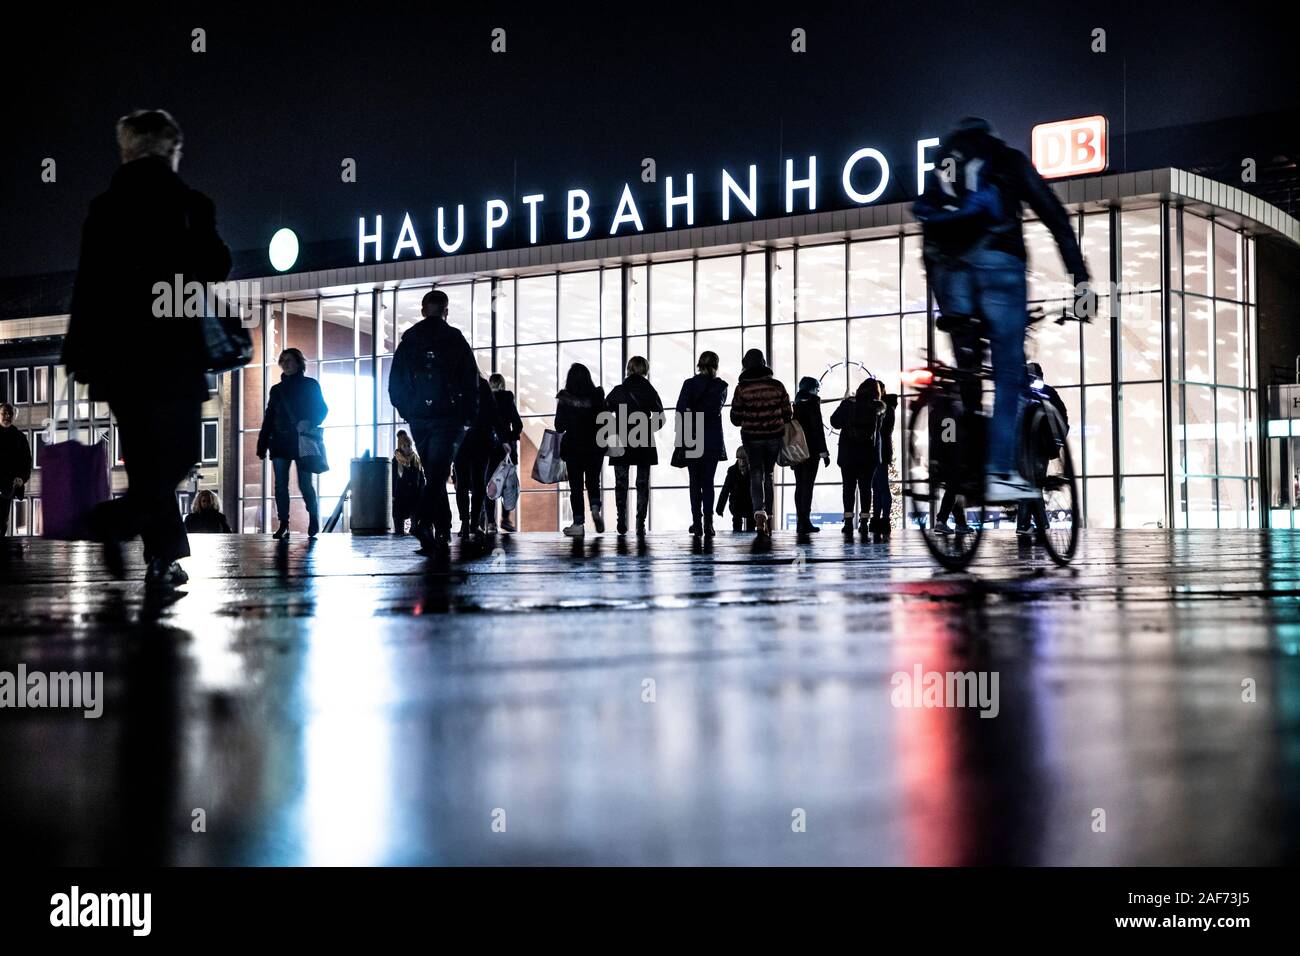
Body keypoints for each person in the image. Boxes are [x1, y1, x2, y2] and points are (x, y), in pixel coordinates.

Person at [62, 109, 231, 593]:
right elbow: (216, 265)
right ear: (170, 149)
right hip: (174, 353)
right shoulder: (190, 203)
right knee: (176, 459)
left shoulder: (104, 208)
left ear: (127, 151)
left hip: (121, 359)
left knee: (144, 462)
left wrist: (82, 351)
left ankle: (161, 558)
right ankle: (116, 524)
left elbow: (89, 283)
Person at [914, 116, 1090, 502]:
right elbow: (1056, 218)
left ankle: (962, 468)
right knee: (1009, 369)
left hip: (948, 272)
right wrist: (1081, 283)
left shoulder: (943, 167)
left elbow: (927, 234)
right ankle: (998, 471)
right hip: (999, 265)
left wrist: (950, 305)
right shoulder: (1007, 159)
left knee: (968, 370)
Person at [388, 288, 479, 555]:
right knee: (438, 473)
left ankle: (437, 531)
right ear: (446, 311)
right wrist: (468, 415)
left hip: (420, 418)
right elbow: (469, 379)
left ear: (423, 310)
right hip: (448, 418)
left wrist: (408, 409)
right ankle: (424, 522)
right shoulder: (454, 339)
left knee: (435, 473)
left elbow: (396, 382)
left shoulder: (410, 340)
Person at [256, 348, 328, 539]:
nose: (286, 364)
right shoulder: (276, 390)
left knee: (305, 484)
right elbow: (269, 418)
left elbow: (322, 409)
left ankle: (313, 516)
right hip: (280, 441)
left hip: (301, 440)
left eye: (289, 360)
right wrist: (262, 443)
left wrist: (309, 421)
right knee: (280, 484)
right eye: (283, 360)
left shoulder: (310, 385)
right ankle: (284, 523)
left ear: (299, 362)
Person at [730, 348, 792, 536]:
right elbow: (788, 414)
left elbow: (735, 418)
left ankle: (759, 513)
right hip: (773, 435)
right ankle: (770, 514)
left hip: (751, 437)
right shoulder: (777, 385)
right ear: (764, 363)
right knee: (769, 473)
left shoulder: (742, 388)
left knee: (756, 473)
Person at [605, 356, 664, 535]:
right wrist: (648, 428)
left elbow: (604, 412)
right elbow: (660, 417)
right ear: (645, 369)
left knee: (621, 483)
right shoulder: (649, 390)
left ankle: (621, 520)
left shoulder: (619, 390)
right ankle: (640, 523)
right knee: (642, 483)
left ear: (629, 369)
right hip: (643, 440)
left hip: (621, 440)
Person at [674, 350, 728, 537]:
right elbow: (716, 410)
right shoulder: (721, 387)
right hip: (711, 438)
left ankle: (696, 523)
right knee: (708, 482)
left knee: (694, 482)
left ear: (699, 365)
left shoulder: (689, 385)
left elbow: (680, 411)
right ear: (716, 365)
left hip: (691, 437)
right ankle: (709, 524)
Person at [1016, 362, 1069, 538]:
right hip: (1036, 447)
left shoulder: (1027, 394)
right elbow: (1061, 416)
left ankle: (1035, 522)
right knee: (1033, 483)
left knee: (1032, 483)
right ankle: (1033, 522)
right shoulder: (1046, 393)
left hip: (1034, 447)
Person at [454, 373, 509, 539]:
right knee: (478, 483)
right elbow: (493, 414)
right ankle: (473, 523)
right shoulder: (483, 385)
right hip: (481, 441)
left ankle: (465, 522)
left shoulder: (454, 384)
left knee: (462, 484)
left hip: (460, 442)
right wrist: (504, 439)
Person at [555, 363, 606, 536]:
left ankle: (578, 524)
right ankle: (595, 508)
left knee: (576, 486)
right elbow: (605, 420)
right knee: (593, 482)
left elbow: (559, 426)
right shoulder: (598, 397)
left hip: (574, 447)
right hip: (595, 447)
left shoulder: (565, 399)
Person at [830, 380, 883, 537]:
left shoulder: (848, 404)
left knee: (848, 487)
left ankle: (847, 522)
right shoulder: (879, 407)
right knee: (866, 488)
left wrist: (844, 404)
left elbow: (834, 422)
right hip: (869, 454)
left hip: (848, 453)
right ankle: (864, 523)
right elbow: (880, 430)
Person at [791, 376, 831, 534]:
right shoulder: (813, 402)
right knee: (808, 486)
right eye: (817, 387)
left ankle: (800, 521)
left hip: (796, 450)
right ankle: (805, 521)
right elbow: (817, 428)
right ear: (812, 388)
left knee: (799, 485)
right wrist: (824, 452)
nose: (818, 390)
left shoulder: (796, 403)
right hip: (811, 451)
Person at [487, 373, 523, 533]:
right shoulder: (507, 398)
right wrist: (511, 438)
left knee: (489, 484)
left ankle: (490, 522)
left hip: (488, 448)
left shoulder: (484, 399)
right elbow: (518, 423)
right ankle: (505, 519)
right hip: (506, 449)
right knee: (507, 483)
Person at [0, 403, 32, 537]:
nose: (7, 416)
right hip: (6, 485)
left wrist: (22, 478)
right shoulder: (19, 437)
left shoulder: (20, 438)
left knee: (2, 521)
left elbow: (27, 462)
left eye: (10, 414)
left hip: (7, 485)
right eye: (4, 413)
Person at [870, 387, 897, 539]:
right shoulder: (887, 408)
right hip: (879, 452)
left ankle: (883, 519)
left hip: (880, 452)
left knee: (881, 487)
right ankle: (880, 519)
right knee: (878, 487)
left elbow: (883, 430)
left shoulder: (886, 408)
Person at [392, 429, 425, 535]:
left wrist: (422, 492)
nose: (407, 448)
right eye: (404, 446)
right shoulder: (395, 461)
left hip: (415, 497)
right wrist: (393, 495)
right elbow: (392, 479)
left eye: (409, 446)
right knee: (399, 529)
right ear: (400, 447)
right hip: (400, 496)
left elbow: (421, 478)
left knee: (415, 527)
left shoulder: (416, 460)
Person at [715, 447, 754, 531]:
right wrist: (720, 508)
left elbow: (759, 490)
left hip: (750, 504)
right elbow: (725, 490)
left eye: (744, 458)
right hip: (737, 504)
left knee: (751, 526)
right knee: (736, 523)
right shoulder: (732, 470)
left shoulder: (754, 470)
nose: (742, 461)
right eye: (740, 459)